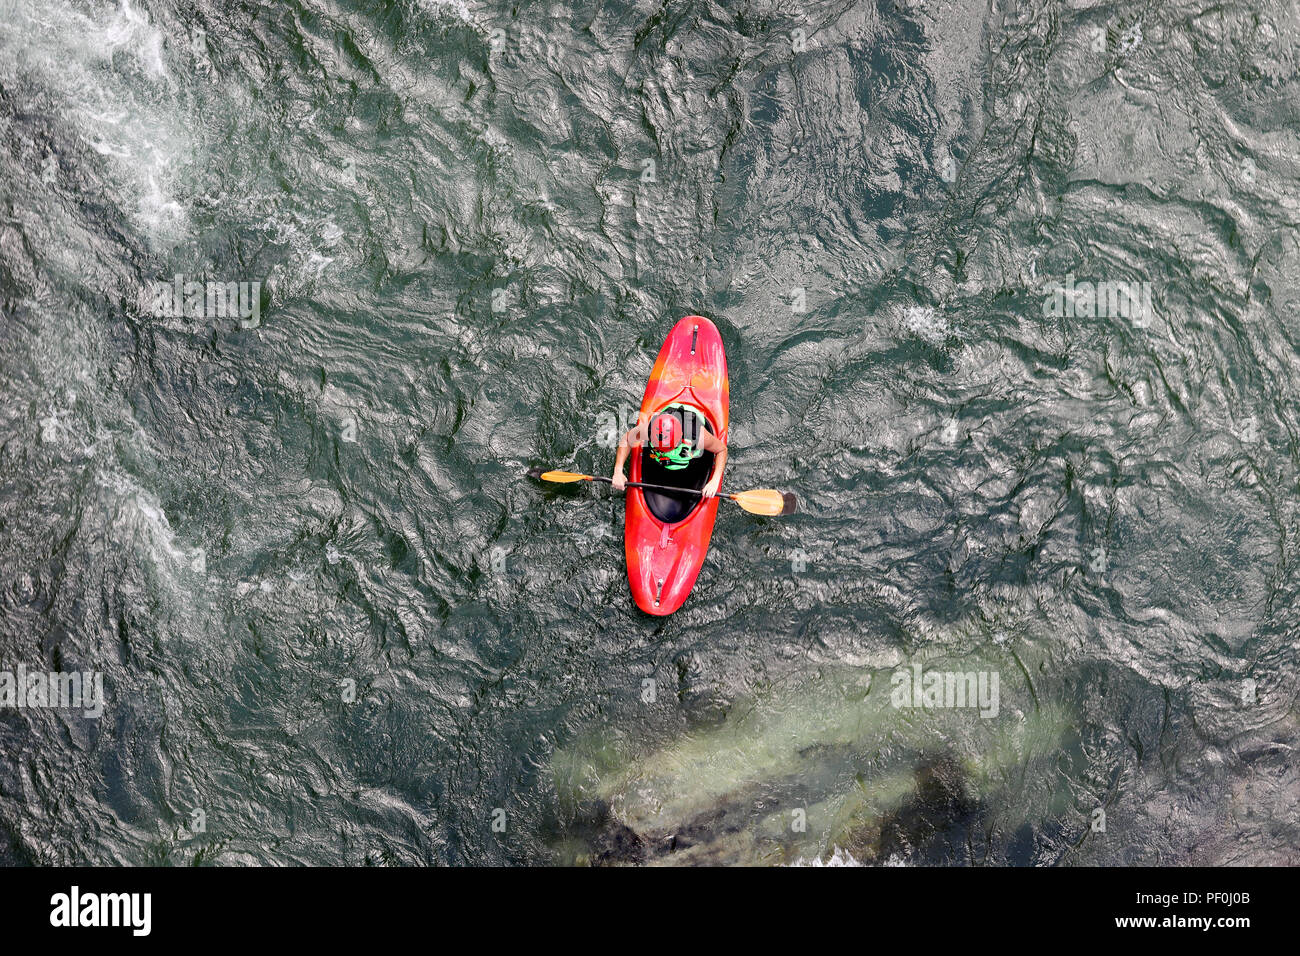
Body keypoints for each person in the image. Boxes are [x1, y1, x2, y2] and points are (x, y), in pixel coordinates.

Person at [612, 402, 727, 497]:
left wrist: (715, 480)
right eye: (658, 447)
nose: (661, 451)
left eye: (665, 449)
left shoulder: (697, 436)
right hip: (663, 456)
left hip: (691, 462)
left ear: (679, 440)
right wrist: (618, 471)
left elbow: (721, 450)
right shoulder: (650, 429)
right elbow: (627, 439)